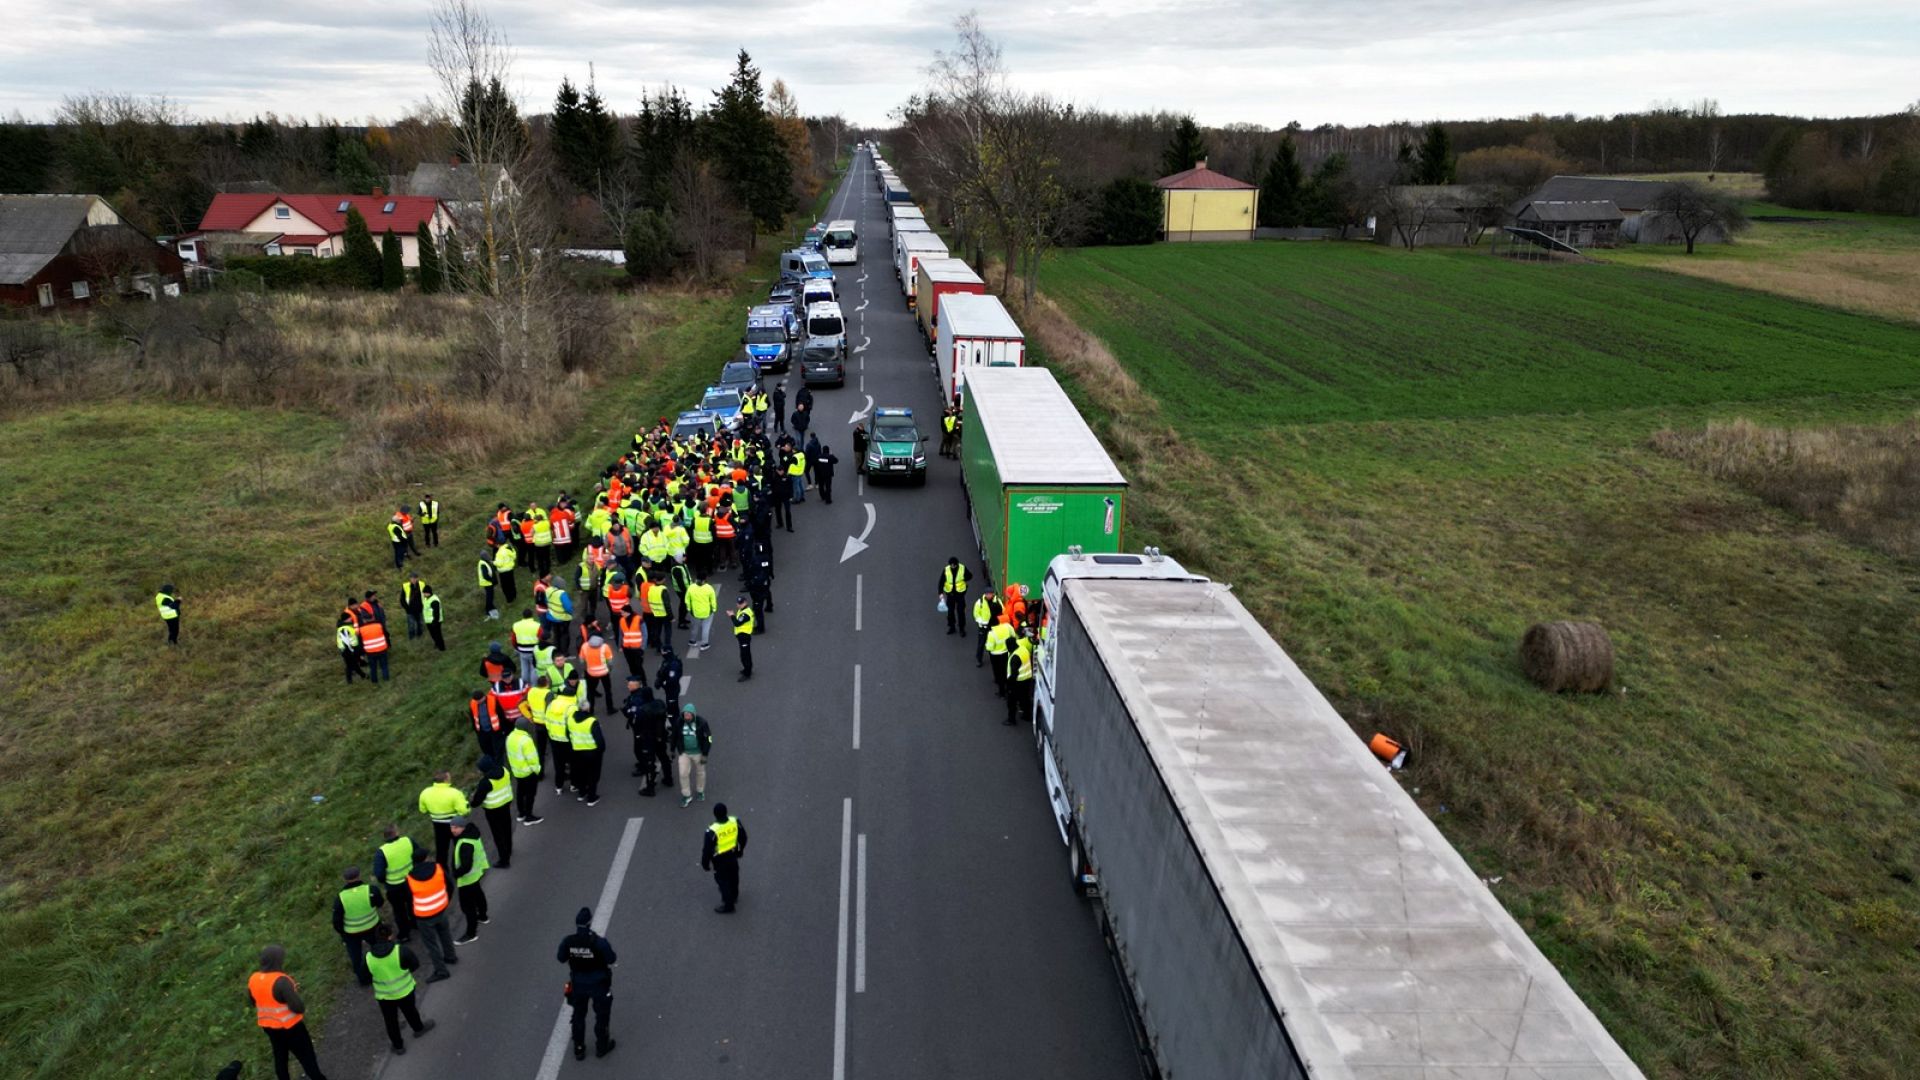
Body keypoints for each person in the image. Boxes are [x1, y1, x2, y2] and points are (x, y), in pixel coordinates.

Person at [247, 945, 329, 1080]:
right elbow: (298, 1007)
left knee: (280, 1056)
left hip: (268, 1026)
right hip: (291, 1027)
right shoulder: (281, 981)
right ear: (277, 961)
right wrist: (292, 993)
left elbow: (253, 1001)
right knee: (306, 1055)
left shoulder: (254, 978)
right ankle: (317, 1077)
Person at [364, 924, 436, 1055]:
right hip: (405, 991)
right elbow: (415, 965)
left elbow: (364, 976)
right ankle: (418, 1029)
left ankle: (398, 1046)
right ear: (390, 936)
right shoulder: (401, 950)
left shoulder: (368, 958)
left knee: (390, 1020)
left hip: (384, 997)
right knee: (410, 1011)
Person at [557, 907, 618, 1061]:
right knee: (602, 1016)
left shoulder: (568, 941)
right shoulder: (599, 943)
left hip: (578, 984)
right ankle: (601, 1047)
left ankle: (579, 1049)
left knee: (578, 1016)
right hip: (599, 984)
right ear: (590, 923)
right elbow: (611, 959)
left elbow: (561, 958)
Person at [405, 855, 456, 982]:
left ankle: (441, 970)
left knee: (431, 944)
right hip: (441, 909)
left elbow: (408, 899)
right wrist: (445, 900)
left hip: (424, 916)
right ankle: (451, 956)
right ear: (426, 858)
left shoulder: (410, 878)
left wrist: (414, 915)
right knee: (445, 934)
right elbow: (450, 885)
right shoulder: (438, 868)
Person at [331, 867, 383, 987]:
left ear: (344, 879)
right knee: (379, 948)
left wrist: (343, 933)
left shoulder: (340, 898)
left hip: (351, 933)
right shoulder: (371, 890)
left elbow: (336, 921)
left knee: (356, 957)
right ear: (359, 876)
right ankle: (382, 970)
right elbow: (380, 903)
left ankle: (364, 980)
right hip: (373, 926)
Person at [623, 678, 672, 796]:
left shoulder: (643, 710)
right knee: (663, 756)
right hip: (660, 736)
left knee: (649, 762)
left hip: (648, 738)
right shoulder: (660, 703)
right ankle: (668, 778)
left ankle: (650, 788)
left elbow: (637, 723)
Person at [372, 826, 417, 943]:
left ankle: (405, 934)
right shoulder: (408, 841)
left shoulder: (382, 852)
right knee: (413, 903)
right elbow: (418, 854)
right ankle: (416, 923)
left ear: (384, 837)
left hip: (394, 887)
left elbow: (380, 874)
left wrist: (385, 881)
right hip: (412, 881)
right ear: (397, 833)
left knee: (399, 911)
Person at [701, 803, 748, 913]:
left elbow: (707, 850)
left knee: (723, 882)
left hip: (719, 860)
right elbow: (743, 837)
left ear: (715, 815)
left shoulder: (712, 830)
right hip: (733, 855)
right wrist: (740, 850)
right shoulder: (734, 821)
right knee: (734, 876)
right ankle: (734, 895)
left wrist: (705, 864)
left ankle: (729, 905)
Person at [418, 770, 470, 869]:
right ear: (446, 779)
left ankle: (442, 873)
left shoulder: (425, 793)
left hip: (438, 825)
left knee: (441, 851)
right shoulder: (455, 793)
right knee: (460, 847)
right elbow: (463, 811)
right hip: (455, 824)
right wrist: (468, 807)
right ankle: (460, 869)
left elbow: (423, 810)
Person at [450, 818, 490, 944]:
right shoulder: (472, 835)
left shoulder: (465, 843)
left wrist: (455, 874)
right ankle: (483, 916)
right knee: (478, 895)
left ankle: (471, 933)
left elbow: (466, 866)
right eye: (451, 827)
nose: (453, 830)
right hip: (476, 874)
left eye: (456, 827)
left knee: (468, 908)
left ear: (462, 828)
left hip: (467, 879)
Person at [472, 755, 514, 867]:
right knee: (507, 828)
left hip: (493, 810)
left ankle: (504, 860)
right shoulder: (504, 770)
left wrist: (471, 802)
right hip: (506, 803)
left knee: (498, 834)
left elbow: (476, 801)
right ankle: (509, 849)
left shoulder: (485, 782)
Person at [567, 696, 607, 806]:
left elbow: (568, 734)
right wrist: (601, 750)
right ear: (588, 709)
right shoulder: (592, 721)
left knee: (581, 773)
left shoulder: (570, 719)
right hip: (592, 752)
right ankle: (591, 797)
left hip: (576, 751)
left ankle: (581, 793)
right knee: (593, 775)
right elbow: (599, 740)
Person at [671, 704, 712, 808]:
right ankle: (686, 795)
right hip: (684, 753)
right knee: (683, 774)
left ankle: (700, 790)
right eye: (685, 714)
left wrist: (705, 754)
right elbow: (674, 736)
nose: (687, 716)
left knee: (700, 773)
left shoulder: (702, 723)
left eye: (689, 714)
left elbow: (708, 739)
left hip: (699, 752)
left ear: (693, 715)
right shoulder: (679, 723)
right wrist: (672, 750)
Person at [505, 719, 545, 825]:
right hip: (528, 773)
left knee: (520, 792)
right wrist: (537, 770)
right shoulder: (525, 740)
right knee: (530, 794)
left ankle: (521, 813)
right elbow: (532, 758)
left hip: (517, 772)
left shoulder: (510, 737)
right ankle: (529, 817)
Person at [1005, 625, 1036, 727]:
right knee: (1024, 698)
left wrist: (1009, 685)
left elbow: (1014, 674)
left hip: (1018, 681)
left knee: (1012, 701)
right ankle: (1027, 715)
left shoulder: (1015, 657)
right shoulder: (1023, 649)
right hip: (1027, 679)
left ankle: (1011, 719)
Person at [579, 634, 614, 714]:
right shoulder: (605, 646)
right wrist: (609, 669)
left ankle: (590, 711)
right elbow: (610, 662)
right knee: (607, 691)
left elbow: (581, 661)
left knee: (590, 692)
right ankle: (610, 709)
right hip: (604, 673)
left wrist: (586, 669)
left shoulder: (584, 646)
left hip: (591, 673)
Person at [359, 599, 391, 685]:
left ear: (365, 620)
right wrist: (388, 645)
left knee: (373, 667)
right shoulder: (379, 625)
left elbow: (360, 643)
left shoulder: (361, 630)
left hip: (370, 652)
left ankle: (374, 681)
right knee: (384, 665)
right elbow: (386, 635)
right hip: (382, 649)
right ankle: (386, 679)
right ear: (372, 618)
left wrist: (361, 654)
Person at [939, 557, 971, 636]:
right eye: (951, 565)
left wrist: (964, 578)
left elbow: (970, 576)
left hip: (960, 594)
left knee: (960, 612)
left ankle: (961, 628)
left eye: (954, 565)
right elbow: (941, 582)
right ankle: (952, 627)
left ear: (957, 564)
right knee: (950, 612)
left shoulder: (962, 568)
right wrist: (940, 593)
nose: (953, 566)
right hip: (950, 594)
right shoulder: (946, 570)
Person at [685, 573, 718, 651]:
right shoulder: (709, 588)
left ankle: (692, 641)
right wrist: (714, 609)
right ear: (705, 579)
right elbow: (713, 601)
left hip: (695, 612)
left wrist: (689, 609)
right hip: (707, 612)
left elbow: (687, 600)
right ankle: (704, 644)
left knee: (694, 627)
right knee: (705, 628)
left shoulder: (691, 587)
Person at [510, 609, 542, 686]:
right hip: (534, 651)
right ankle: (533, 685)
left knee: (524, 668)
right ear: (532, 615)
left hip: (522, 650)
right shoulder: (537, 625)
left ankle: (525, 685)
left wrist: (516, 648)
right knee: (533, 668)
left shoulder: (516, 625)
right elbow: (541, 637)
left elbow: (513, 639)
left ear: (523, 616)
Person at [972, 590, 1002, 667]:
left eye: (990, 594)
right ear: (985, 594)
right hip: (984, 627)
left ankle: (995, 658)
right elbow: (976, 614)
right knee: (981, 644)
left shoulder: (997, 601)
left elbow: (1003, 611)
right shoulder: (980, 602)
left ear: (993, 594)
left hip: (994, 627)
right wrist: (981, 622)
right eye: (987, 594)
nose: (989, 595)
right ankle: (979, 659)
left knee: (994, 643)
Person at [730, 596, 755, 682]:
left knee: (745, 656)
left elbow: (737, 623)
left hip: (744, 637)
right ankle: (747, 669)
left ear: (745, 602)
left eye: (741, 603)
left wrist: (732, 615)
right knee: (745, 654)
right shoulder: (743, 610)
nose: (738, 605)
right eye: (738, 603)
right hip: (742, 636)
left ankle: (747, 673)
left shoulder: (746, 614)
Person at [653, 647, 682, 717]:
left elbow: (672, 679)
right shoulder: (666, 661)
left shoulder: (673, 664)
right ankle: (674, 721)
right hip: (668, 689)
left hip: (672, 690)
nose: (662, 653)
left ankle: (675, 723)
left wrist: (662, 683)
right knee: (671, 707)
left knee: (672, 708)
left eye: (663, 652)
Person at [336, 615, 364, 684]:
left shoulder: (341, 628)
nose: (351, 619)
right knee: (350, 665)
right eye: (349, 618)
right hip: (349, 649)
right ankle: (350, 680)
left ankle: (362, 675)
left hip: (344, 649)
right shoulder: (346, 628)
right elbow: (350, 640)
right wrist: (355, 650)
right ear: (346, 620)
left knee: (353, 664)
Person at [477, 547, 500, 620]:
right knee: (489, 597)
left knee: (490, 596)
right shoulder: (483, 564)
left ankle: (490, 607)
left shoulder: (484, 562)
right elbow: (485, 575)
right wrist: (492, 580)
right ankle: (488, 609)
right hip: (487, 583)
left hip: (488, 583)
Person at [401, 573, 426, 640]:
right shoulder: (405, 586)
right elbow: (402, 599)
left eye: (415, 578)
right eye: (412, 578)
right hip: (410, 611)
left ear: (418, 578)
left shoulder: (422, 584)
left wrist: (424, 606)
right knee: (411, 625)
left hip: (420, 609)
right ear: (410, 579)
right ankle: (412, 638)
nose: (414, 579)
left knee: (420, 624)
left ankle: (420, 636)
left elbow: (426, 596)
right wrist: (407, 608)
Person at [494, 539, 519, 605]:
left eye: (496, 545)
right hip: (510, 569)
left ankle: (509, 600)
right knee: (511, 583)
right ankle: (514, 595)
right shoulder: (509, 547)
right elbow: (514, 556)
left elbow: (499, 564)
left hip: (503, 572)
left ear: (498, 544)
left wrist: (493, 562)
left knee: (505, 586)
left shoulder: (499, 553)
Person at [422, 586, 446, 651]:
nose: (423, 594)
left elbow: (436, 612)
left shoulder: (434, 600)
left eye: (424, 593)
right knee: (433, 635)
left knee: (438, 635)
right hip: (429, 621)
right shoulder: (426, 599)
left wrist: (435, 621)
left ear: (428, 593)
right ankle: (437, 644)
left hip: (435, 621)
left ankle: (442, 648)